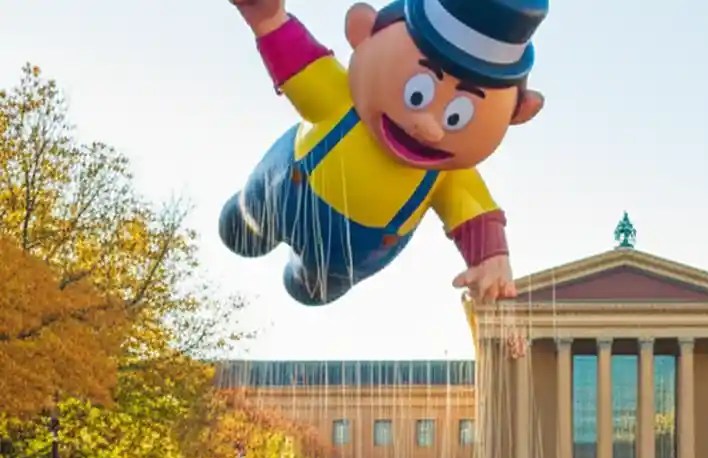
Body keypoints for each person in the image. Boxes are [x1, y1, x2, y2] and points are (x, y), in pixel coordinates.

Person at [221, 0, 548, 305]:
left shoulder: (450, 175)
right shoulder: (340, 98)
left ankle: (311, 274)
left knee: (313, 286)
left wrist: (491, 258)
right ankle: (252, 217)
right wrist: (268, 19)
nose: (428, 128)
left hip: (348, 254)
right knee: (243, 228)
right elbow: (299, 62)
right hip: (285, 190)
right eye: (417, 95)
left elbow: (476, 216)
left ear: (518, 114)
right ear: (363, 34)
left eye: (454, 117)